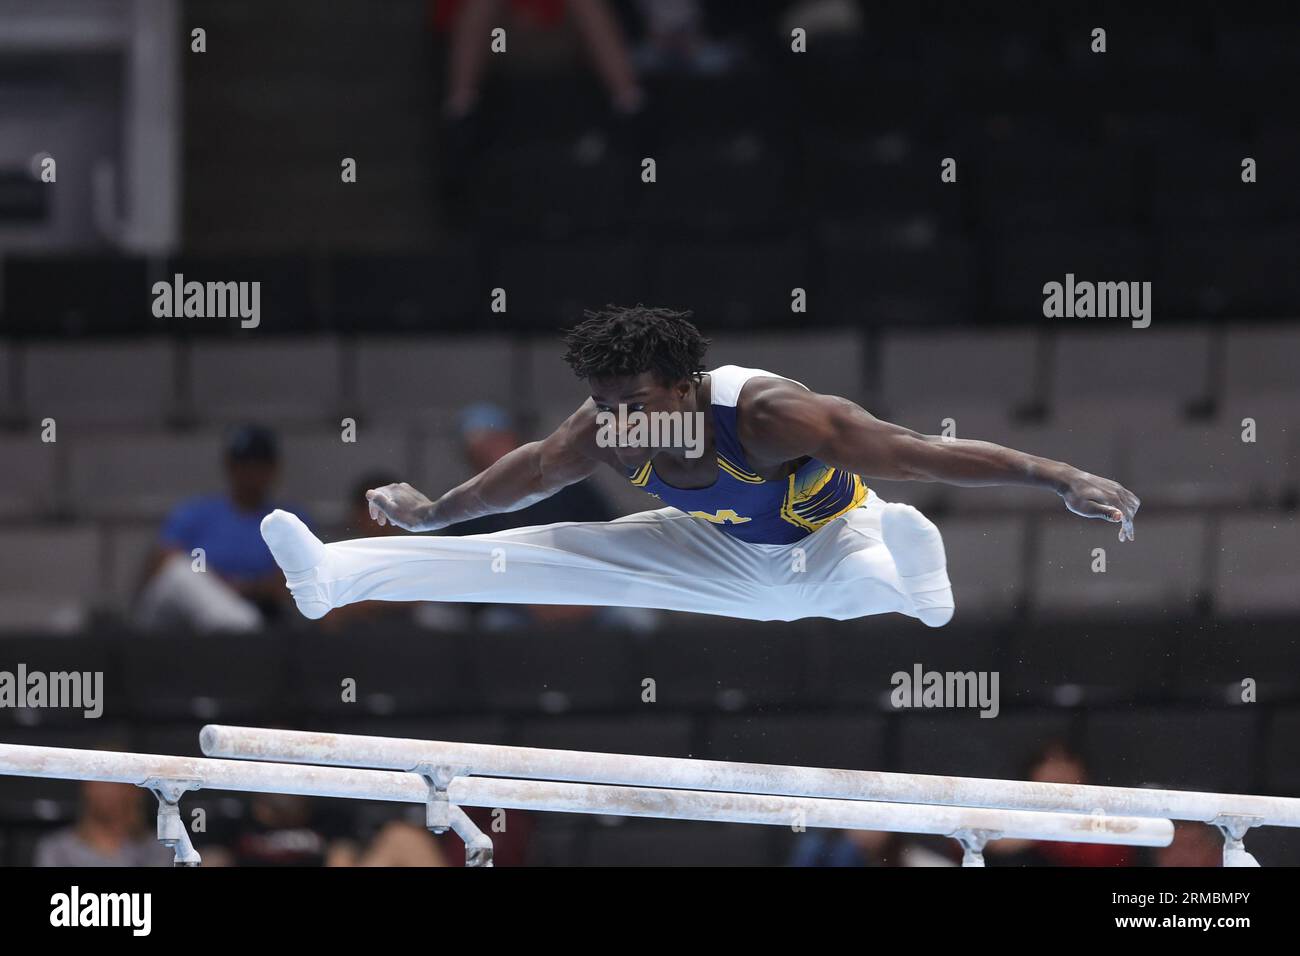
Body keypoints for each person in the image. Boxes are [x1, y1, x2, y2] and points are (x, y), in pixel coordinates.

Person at [258, 305, 1139, 627]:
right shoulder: (603, 426)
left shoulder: (768, 415)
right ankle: (338, 576)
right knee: (549, 548)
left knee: (871, 557)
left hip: (830, 539)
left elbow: (917, 452)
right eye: (603, 405)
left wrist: (1061, 477)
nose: (617, 425)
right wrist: (432, 511)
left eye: (634, 405)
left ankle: (917, 590)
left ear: (685, 387)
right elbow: (521, 477)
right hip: (715, 554)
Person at [135, 425, 311, 632]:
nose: (250, 472)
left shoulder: (287, 520)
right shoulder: (196, 513)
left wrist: (244, 589)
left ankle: (237, 626)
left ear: (274, 469)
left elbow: (289, 584)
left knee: (242, 618)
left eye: (258, 464)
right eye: (242, 464)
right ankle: (237, 625)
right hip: (173, 618)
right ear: (229, 466)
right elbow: (162, 565)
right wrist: (219, 586)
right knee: (180, 570)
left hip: (252, 612)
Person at [34, 779, 173, 867]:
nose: (110, 790)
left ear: (135, 791)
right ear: (87, 788)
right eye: (103, 781)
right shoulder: (57, 849)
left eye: (120, 783)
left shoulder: (160, 848)